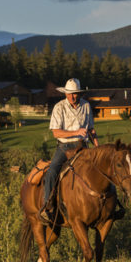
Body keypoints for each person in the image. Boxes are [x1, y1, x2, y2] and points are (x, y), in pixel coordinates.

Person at [42, 78, 98, 223]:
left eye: (75, 94)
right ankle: (47, 206)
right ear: (65, 94)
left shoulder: (86, 106)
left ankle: (108, 203)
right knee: (52, 171)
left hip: (82, 146)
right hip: (64, 147)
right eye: (69, 94)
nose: (72, 97)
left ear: (79, 93)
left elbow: (91, 129)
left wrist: (97, 147)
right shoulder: (59, 107)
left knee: (100, 168)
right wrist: (76, 132)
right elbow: (56, 133)